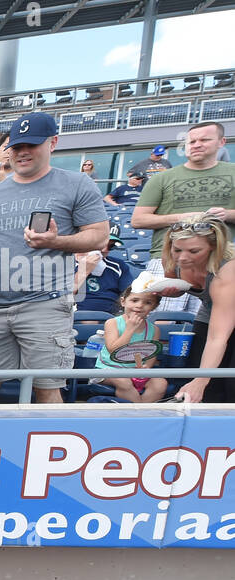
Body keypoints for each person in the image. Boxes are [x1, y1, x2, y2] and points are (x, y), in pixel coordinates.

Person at [0, 112, 109, 404]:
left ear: (53, 143)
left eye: (32, 145)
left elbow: (99, 237)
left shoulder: (76, 184)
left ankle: (50, 449)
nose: (23, 152)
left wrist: (57, 241)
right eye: (17, 146)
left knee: (47, 387)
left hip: (45, 303)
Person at [132, 123, 235, 270]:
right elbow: (138, 220)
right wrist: (185, 218)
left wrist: (227, 214)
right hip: (170, 259)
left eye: (204, 140)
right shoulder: (161, 178)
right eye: (192, 142)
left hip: (221, 259)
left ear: (221, 142)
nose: (197, 145)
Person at [168, 217, 235, 403]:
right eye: (177, 249)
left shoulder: (227, 270)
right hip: (211, 310)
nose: (182, 257)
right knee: (198, 372)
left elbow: (217, 337)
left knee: (226, 383)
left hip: (225, 310)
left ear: (213, 247)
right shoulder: (175, 260)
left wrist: (200, 381)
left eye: (194, 251)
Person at [92, 279, 169, 403]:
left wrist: (146, 368)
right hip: (108, 370)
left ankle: (142, 414)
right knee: (123, 381)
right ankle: (138, 414)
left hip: (137, 371)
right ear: (123, 301)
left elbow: (151, 354)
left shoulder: (154, 330)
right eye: (134, 300)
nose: (139, 305)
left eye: (148, 302)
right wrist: (129, 329)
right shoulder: (112, 323)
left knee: (160, 383)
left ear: (154, 307)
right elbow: (113, 350)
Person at [73, 227, 135, 314]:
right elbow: (60, 299)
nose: (104, 250)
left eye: (111, 246)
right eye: (100, 244)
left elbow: (130, 295)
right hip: (74, 316)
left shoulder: (118, 265)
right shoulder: (64, 263)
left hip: (112, 317)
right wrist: (84, 270)